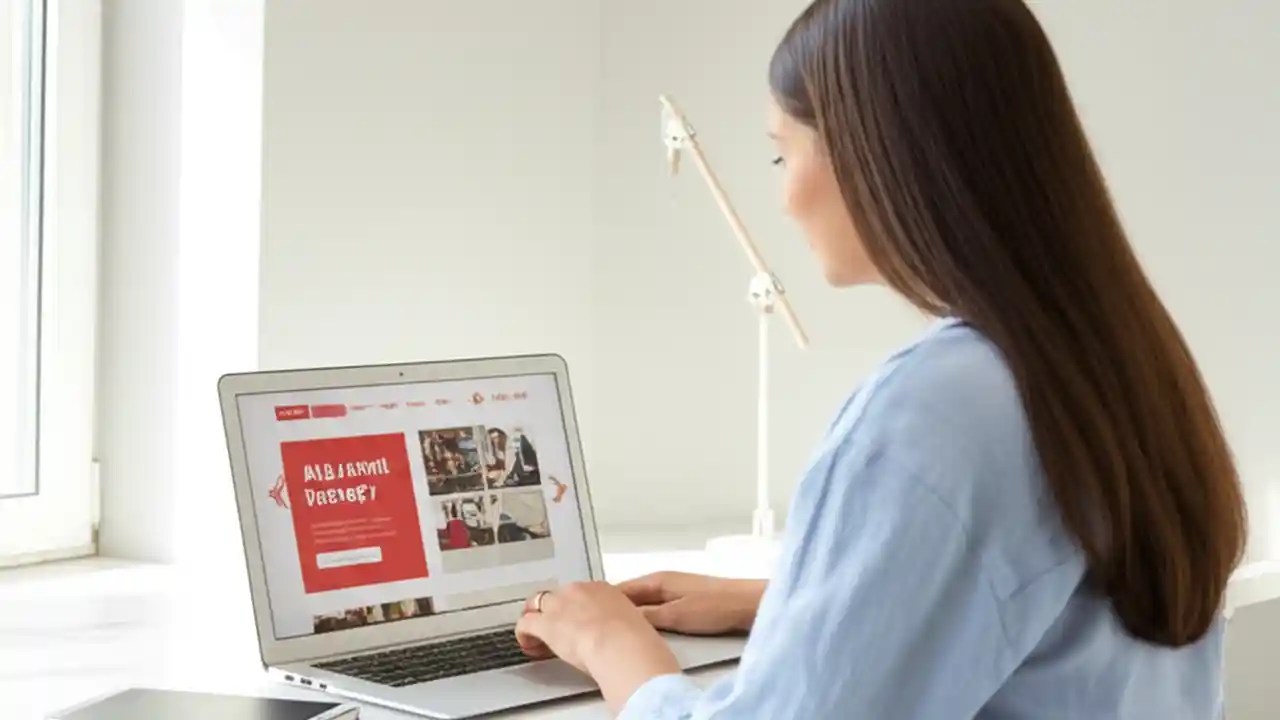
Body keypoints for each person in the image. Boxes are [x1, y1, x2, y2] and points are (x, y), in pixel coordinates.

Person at [512, 1, 1247, 718]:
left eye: (781, 151)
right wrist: (790, 606)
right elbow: (1059, 623)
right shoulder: (1119, 365)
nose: (783, 197)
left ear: (872, 150)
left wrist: (612, 646)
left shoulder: (938, 410)